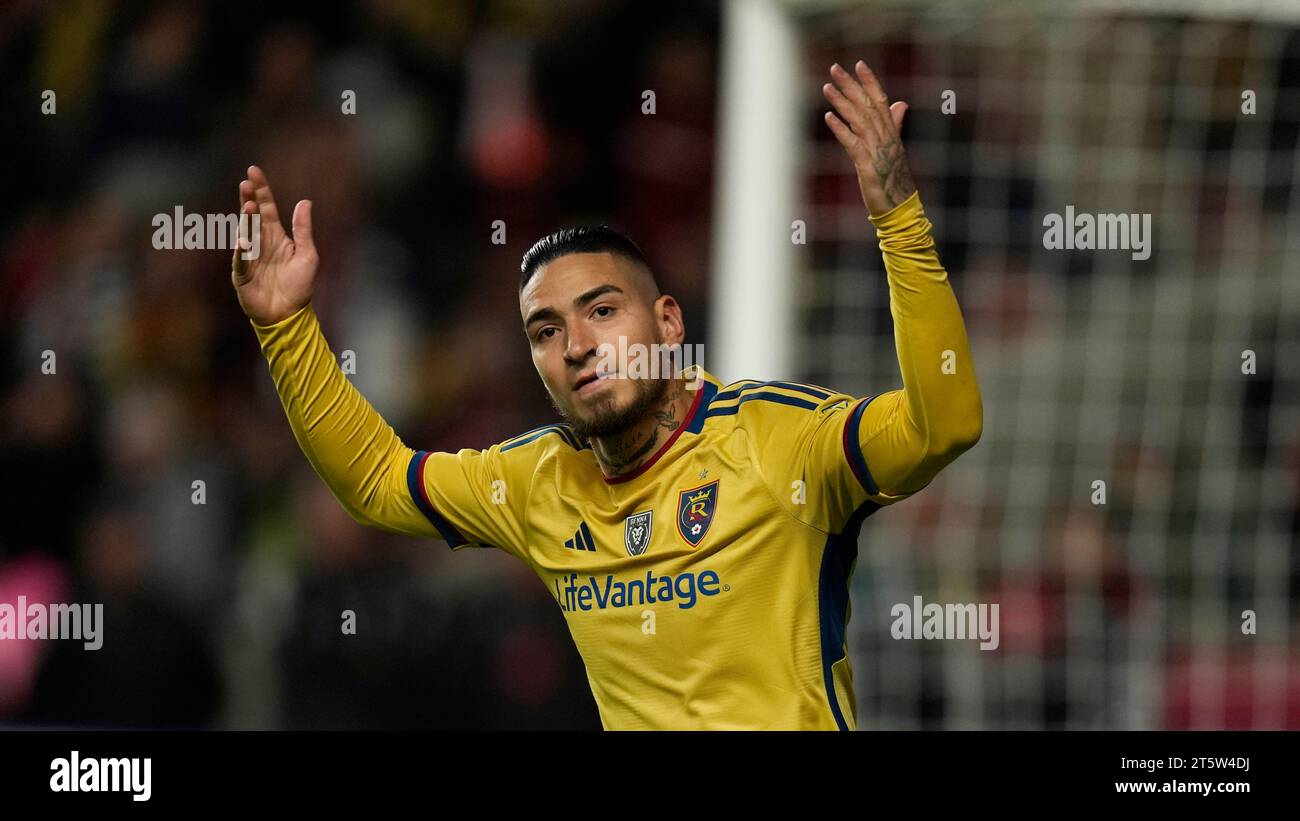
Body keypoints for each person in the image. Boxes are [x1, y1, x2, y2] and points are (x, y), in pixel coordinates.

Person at [231, 61, 982, 730]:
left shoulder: (780, 438)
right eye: (546, 331)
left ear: (667, 320)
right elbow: (375, 482)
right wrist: (286, 329)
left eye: (601, 310)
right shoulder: (537, 482)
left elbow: (943, 424)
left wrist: (899, 223)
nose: (578, 345)